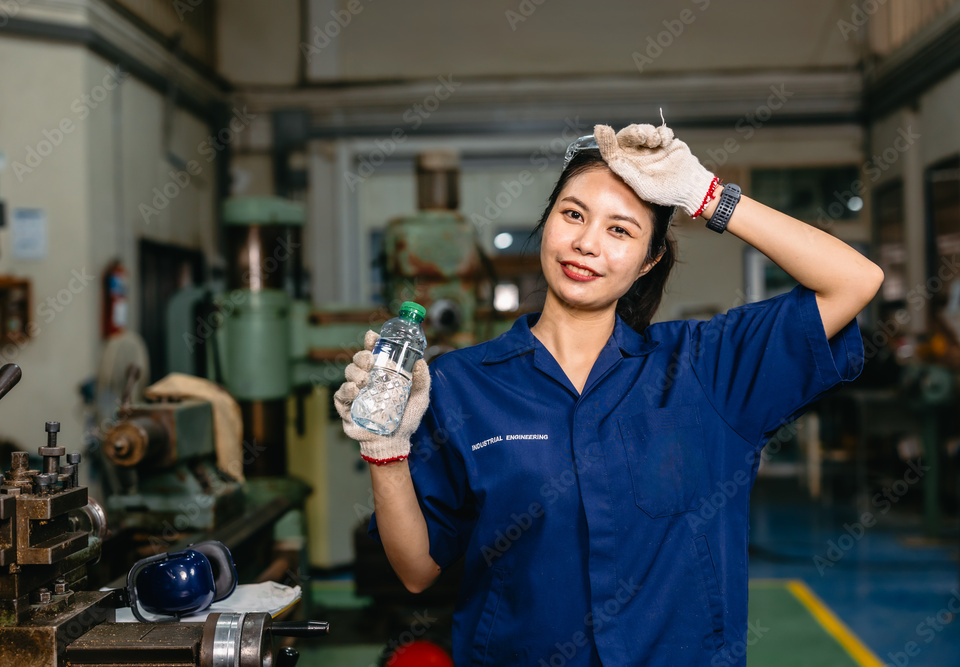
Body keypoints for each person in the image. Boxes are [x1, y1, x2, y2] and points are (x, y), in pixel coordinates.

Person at [334, 119, 883, 666]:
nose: (586, 243)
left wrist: (704, 194)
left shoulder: (707, 368)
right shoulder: (461, 384)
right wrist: (385, 449)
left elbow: (853, 280)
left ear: (649, 261)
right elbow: (416, 569)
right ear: (547, 222)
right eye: (572, 215)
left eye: (620, 230)